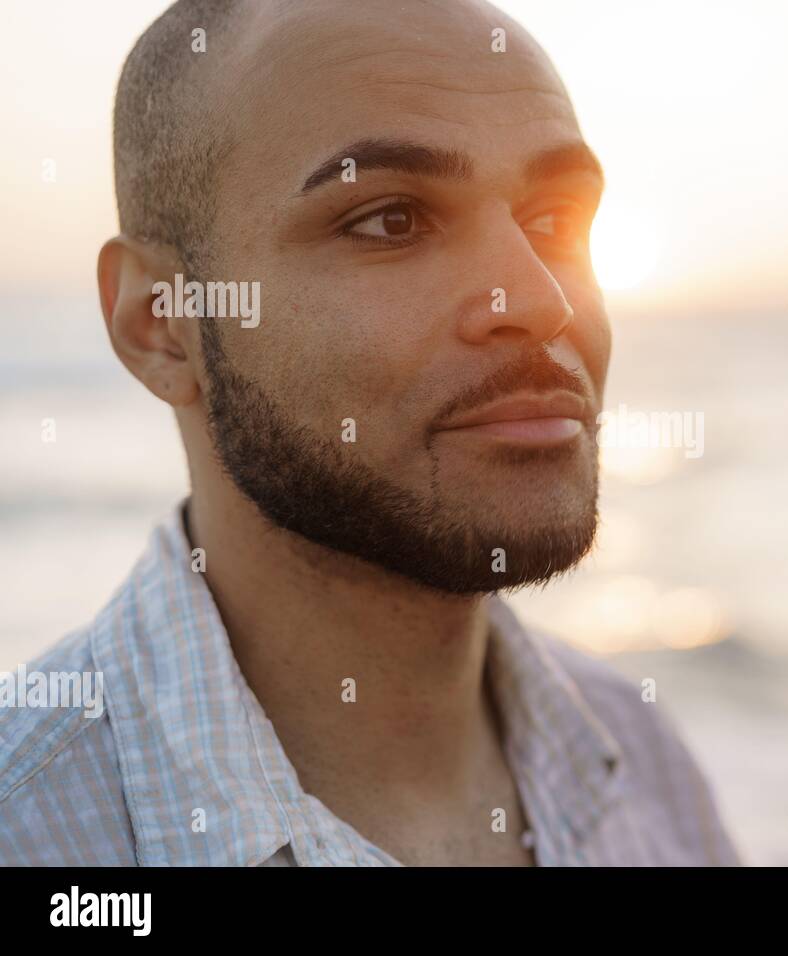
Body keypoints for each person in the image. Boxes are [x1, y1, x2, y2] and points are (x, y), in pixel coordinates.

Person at [0, 0, 740, 867]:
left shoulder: (641, 764)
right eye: (391, 221)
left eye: (551, 221)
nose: (542, 302)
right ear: (161, 322)